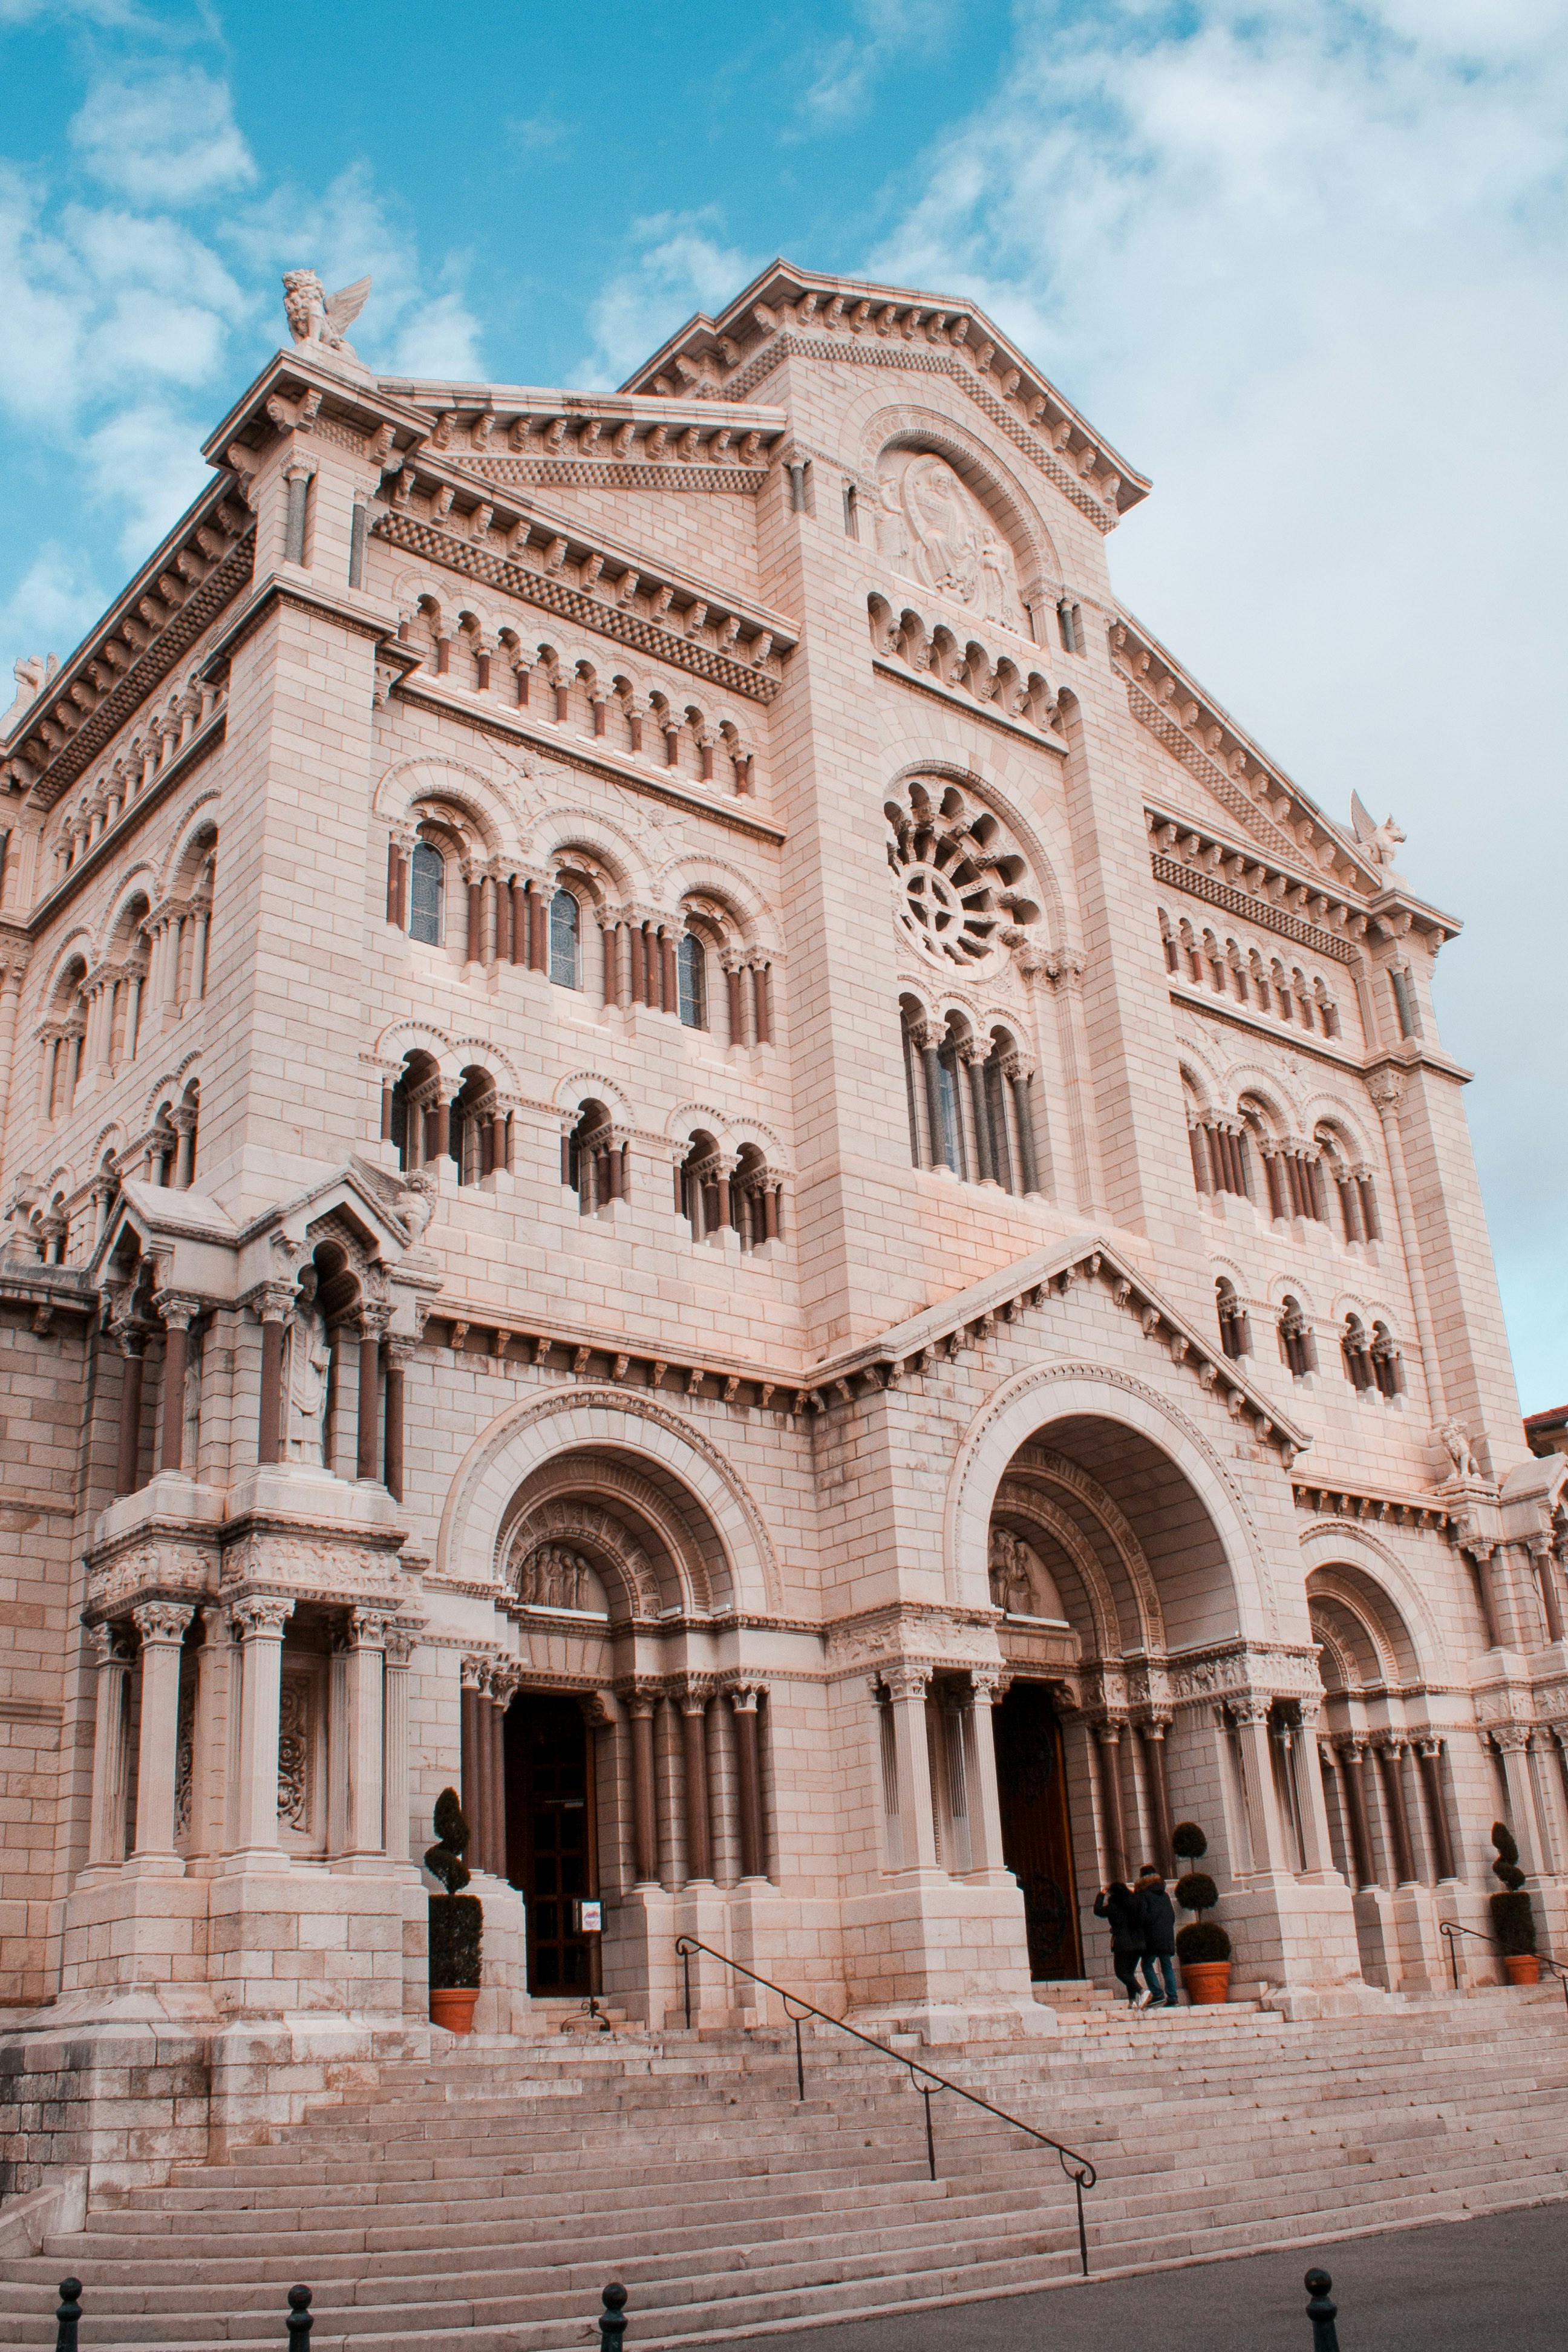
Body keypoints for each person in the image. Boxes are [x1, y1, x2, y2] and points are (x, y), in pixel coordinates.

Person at [1093, 1878, 1150, 2007]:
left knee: (1121, 1973)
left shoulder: (1114, 1906)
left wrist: (1102, 1894)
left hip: (1123, 1943)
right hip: (1139, 1942)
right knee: (1129, 1973)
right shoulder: (1136, 1902)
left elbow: (1098, 1911)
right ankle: (1132, 2002)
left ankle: (1141, 1991)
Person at [1135, 1864, 1179, 2008]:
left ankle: (1158, 1994)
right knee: (1167, 1964)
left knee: (1147, 1964)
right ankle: (1173, 1996)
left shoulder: (1143, 1895)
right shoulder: (1165, 1895)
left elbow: (1142, 1917)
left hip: (1151, 1936)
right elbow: (1172, 1916)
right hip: (1166, 1935)